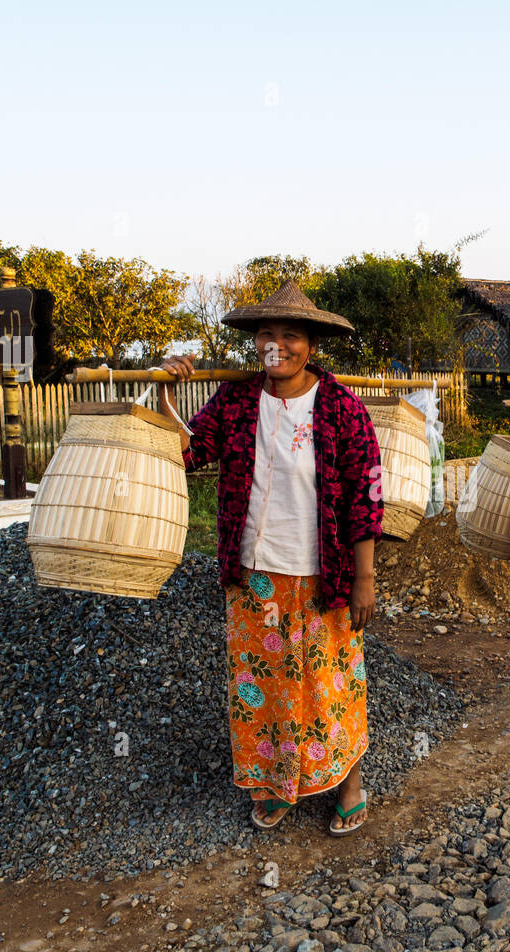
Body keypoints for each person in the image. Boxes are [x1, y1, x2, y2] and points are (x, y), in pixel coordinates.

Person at [157, 281, 382, 835]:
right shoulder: (236, 401)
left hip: (322, 572)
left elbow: (366, 495)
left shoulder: (341, 409)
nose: (276, 345)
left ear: (311, 345)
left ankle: (347, 783)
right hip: (253, 572)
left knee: (329, 682)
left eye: (291, 336)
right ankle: (279, 782)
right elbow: (187, 453)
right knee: (267, 685)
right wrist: (164, 389)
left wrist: (365, 576)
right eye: (266, 334)